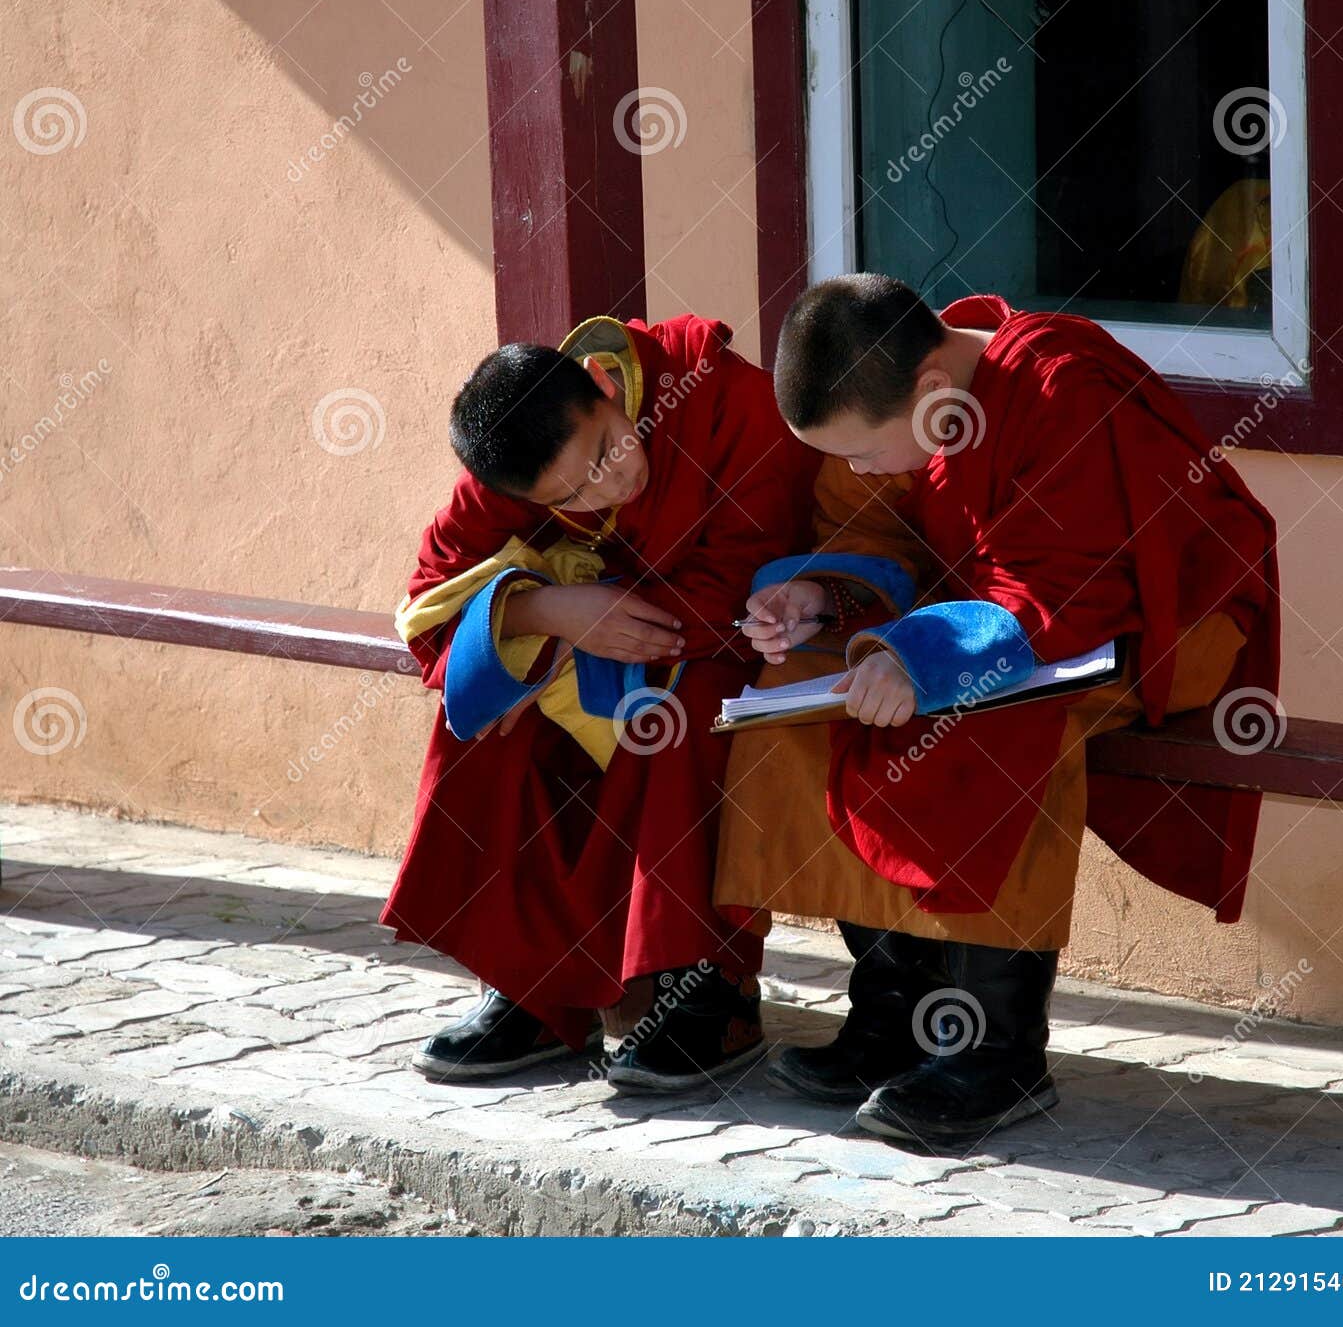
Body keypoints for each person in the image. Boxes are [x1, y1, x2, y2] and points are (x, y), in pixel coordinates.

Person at [718, 273, 1278, 1147]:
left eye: (863, 451)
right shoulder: (913, 393)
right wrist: (820, 596)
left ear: (933, 390)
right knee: (801, 706)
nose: (857, 469)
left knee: (990, 723)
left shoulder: (1062, 390)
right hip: (1005, 614)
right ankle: (896, 1011)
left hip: (1158, 623)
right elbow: (874, 528)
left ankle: (996, 1053)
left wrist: (921, 658)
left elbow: (1069, 588)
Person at [383, 313, 818, 1092]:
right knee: (488, 711)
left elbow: (747, 572)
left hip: (736, 642)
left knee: (678, 714)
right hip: (600, 636)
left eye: (606, 452)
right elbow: (430, 601)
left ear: (605, 386)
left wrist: (601, 621)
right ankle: (531, 985)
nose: (608, 487)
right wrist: (549, 612)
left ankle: (708, 990)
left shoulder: (721, 398)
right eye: (571, 495)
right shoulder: (512, 463)